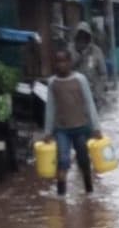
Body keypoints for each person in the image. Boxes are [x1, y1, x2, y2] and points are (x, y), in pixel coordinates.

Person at [43, 48, 103, 197]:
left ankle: (89, 192)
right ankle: (61, 197)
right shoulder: (52, 83)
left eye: (64, 61)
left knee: (83, 161)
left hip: (81, 128)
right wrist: (48, 132)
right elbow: (50, 108)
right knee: (62, 160)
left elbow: (89, 104)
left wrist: (96, 127)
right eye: (58, 61)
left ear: (69, 62)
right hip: (62, 130)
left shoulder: (80, 80)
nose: (60, 65)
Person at [73, 22, 108, 106]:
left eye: (84, 36)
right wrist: (80, 56)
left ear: (88, 37)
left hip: (93, 95)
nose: (82, 40)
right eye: (79, 37)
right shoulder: (71, 50)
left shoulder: (96, 51)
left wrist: (98, 93)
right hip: (75, 95)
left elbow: (103, 74)